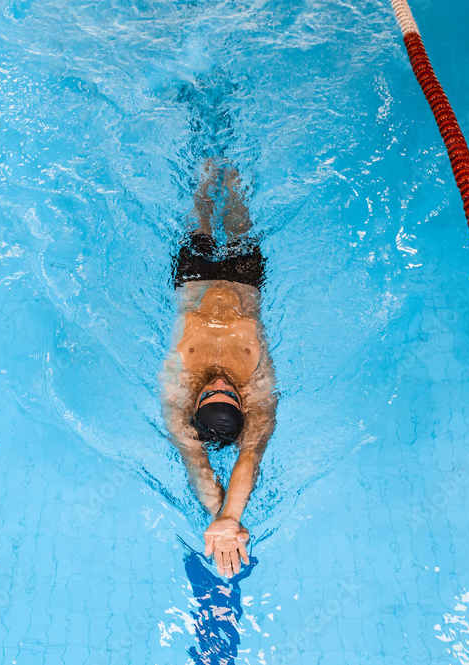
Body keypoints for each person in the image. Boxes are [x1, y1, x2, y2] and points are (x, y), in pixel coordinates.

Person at [161, 161, 277, 578]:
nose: (222, 381)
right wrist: (231, 516)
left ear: (198, 402)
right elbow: (251, 452)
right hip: (244, 282)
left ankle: (207, 176)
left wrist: (218, 513)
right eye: (229, 390)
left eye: (214, 390)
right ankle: (232, 175)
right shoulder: (258, 389)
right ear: (241, 403)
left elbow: (195, 459)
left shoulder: (176, 391)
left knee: (202, 215)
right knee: (240, 219)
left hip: (193, 279)